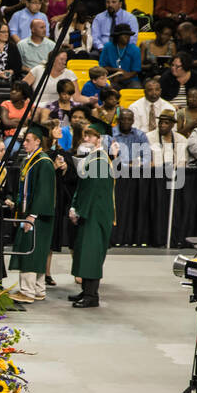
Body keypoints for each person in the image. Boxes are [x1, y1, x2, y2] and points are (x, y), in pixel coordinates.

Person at [69, 130, 116, 307]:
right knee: (84, 251)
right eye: (85, 136)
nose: (86, 139)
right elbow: (83, 187)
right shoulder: (93, 158)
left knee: (92, 253)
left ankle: (92, 296)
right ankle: (86, 291)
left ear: (99, 139)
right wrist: (75, 206)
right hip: (90, 212)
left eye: (90, 136)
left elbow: (92, 191)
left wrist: (78, 211)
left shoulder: (100, 161)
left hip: (95, 214)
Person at [9, 125, 56, 302]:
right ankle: (38, 289)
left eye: (28, 140)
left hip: (37, 216)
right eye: (24, 140)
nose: (24, 144)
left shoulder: (42, 162)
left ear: (38, 141)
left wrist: (32, 216)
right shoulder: (31, 160)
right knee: (36, 250)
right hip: (31, 213)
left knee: (32, 250)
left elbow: (44, 192)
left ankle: (27, 292)